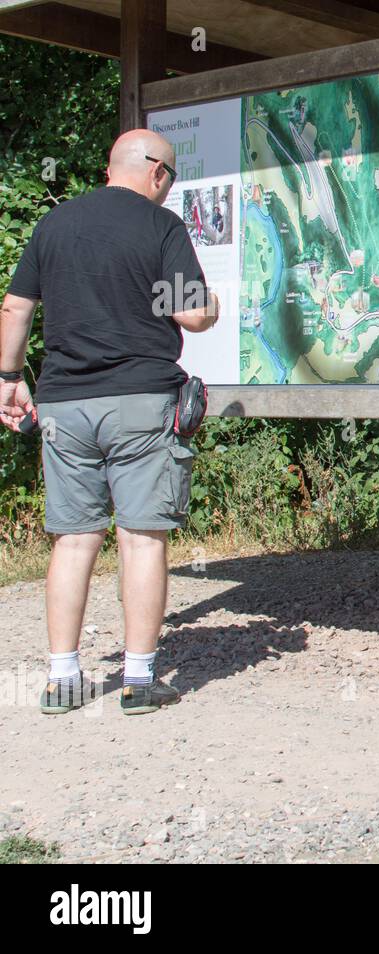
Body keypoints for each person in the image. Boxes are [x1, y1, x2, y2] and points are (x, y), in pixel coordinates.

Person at [0, 129, 219, 716]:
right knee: (141, 534)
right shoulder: (160, 228)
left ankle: (63, 678)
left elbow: (16, 306)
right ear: (156, 174)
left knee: (74, 539)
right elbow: (193, 314)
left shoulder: (55, 225)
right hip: (141, 402)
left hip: (64, 403)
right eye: (171, 180)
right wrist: (214, 303)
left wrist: (8, 378)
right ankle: (142, 678)